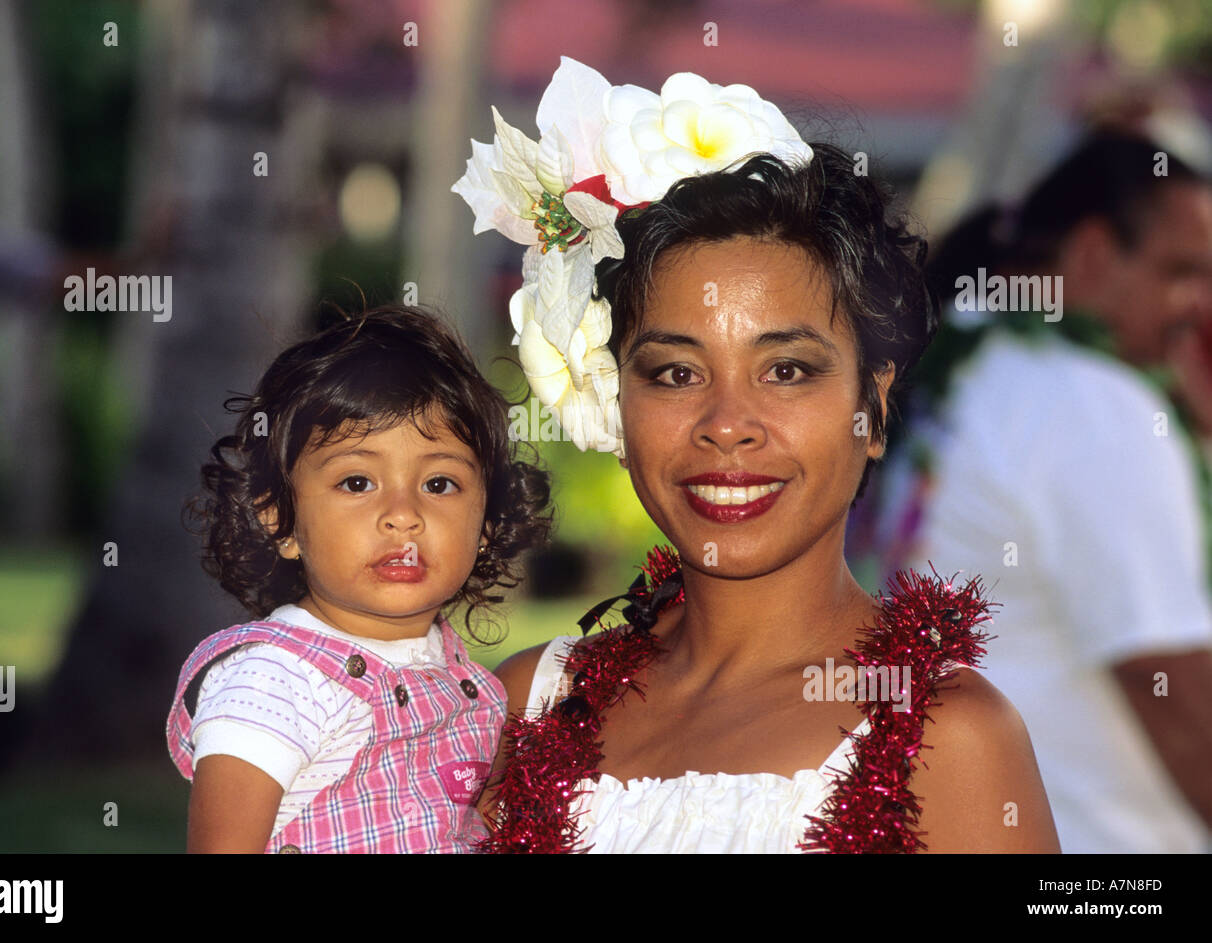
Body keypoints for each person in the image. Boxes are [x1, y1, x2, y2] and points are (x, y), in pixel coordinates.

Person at [453, 58, 1059, 853]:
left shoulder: (949, 736)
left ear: (872, 409)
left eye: (787, 370)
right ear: (615, 403)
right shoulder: (528, 704)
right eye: (676, 372)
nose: (727, 424)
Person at [855, 131, 1212, 853]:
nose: (1197, 305)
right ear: (1089, 254)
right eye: (1181, 271)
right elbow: (1174, 689)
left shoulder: (944, 365)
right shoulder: (1090, 403)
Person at [165, 305, 552, 853]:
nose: (403, 513)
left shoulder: (472, 691)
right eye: (356, 482)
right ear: (281, 520)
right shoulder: (275, 680)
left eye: (439, 484)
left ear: (487, 524)